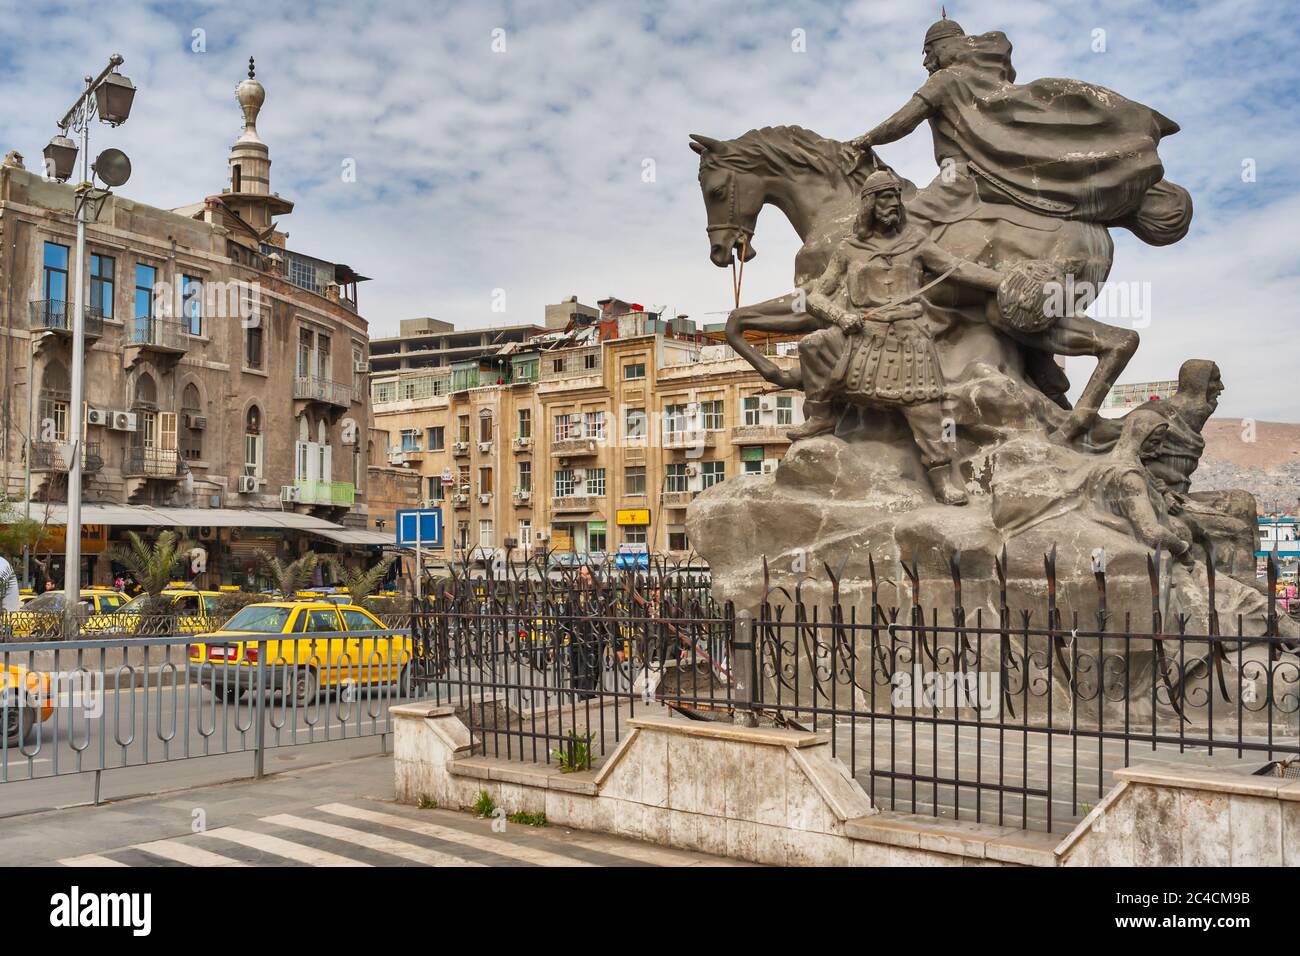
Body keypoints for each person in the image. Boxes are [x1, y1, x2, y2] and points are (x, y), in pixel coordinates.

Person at [847, 16, 1190, 245]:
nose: (925, 62)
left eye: (927, 53)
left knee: (907, 226)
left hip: (961, 176)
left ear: (942, 47)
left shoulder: (945, 80)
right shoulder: (982, 78)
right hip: (981, 172)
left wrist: (866, 139)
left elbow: (903, 121)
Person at [795, 170, 1007, 505]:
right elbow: (816, 297)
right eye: (884, 197)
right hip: (861, 334)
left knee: (925, 411)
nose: (892, 203)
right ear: (869, 204)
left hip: (909, 338)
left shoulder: (917, 242)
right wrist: (841, 316)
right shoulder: (849, 249)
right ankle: (820, 417)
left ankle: (941, 479)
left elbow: (958, 269)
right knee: (812, 346)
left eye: (895, 197)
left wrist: (1002, 283)